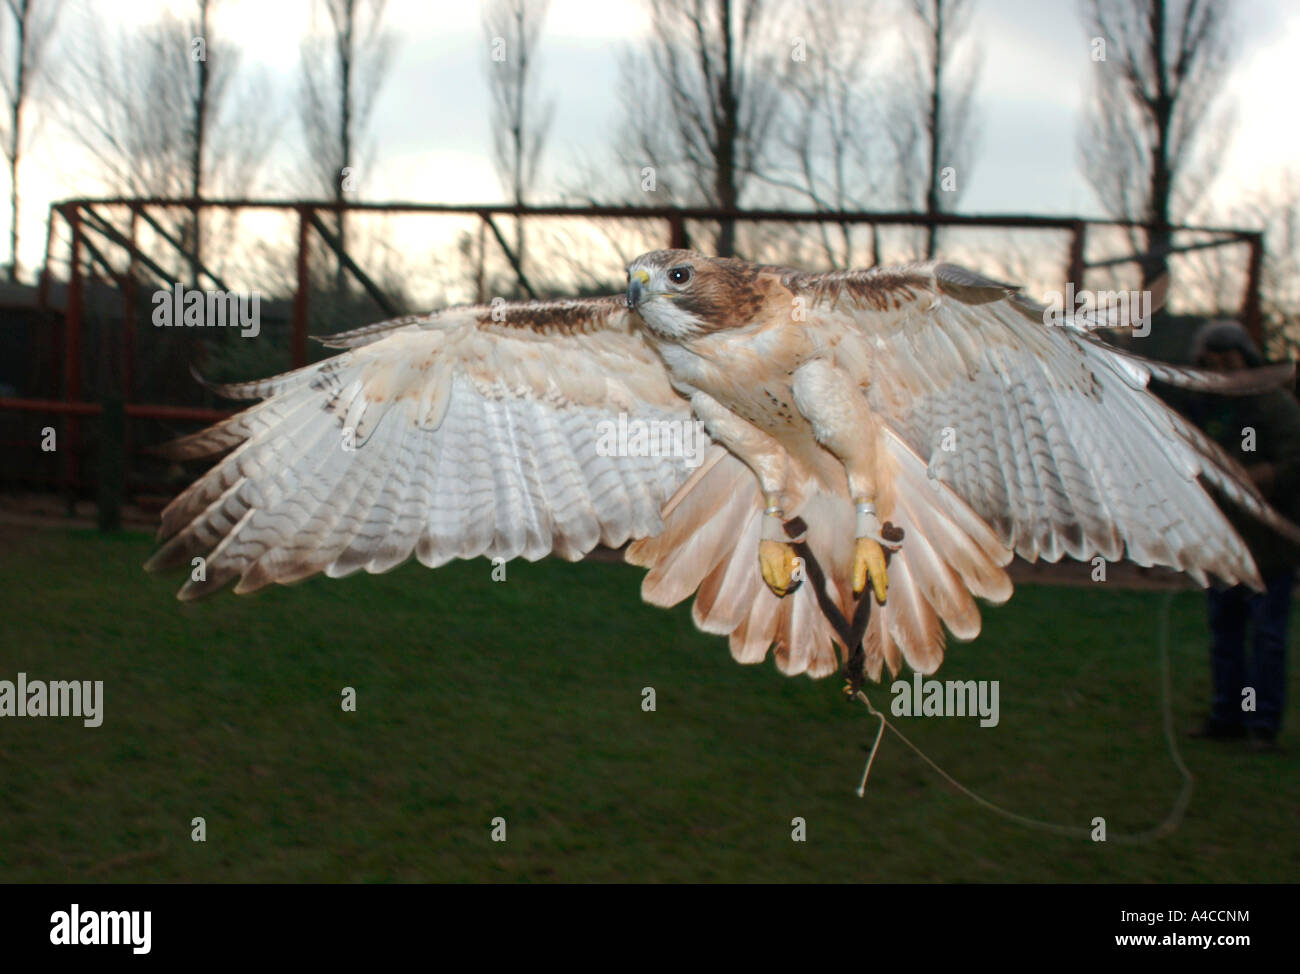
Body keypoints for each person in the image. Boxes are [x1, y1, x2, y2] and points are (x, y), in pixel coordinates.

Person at [1184, 320, 1300, 751]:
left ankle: (1262, 724)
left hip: (1269, 545)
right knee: (1225, 632)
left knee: (1268, 637)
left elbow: (1294, 460)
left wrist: (1259, 476)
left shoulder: (1275, 405)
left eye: (1225, 360)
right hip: (1222, 543)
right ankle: (1226, 715)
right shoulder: (1207, 408)